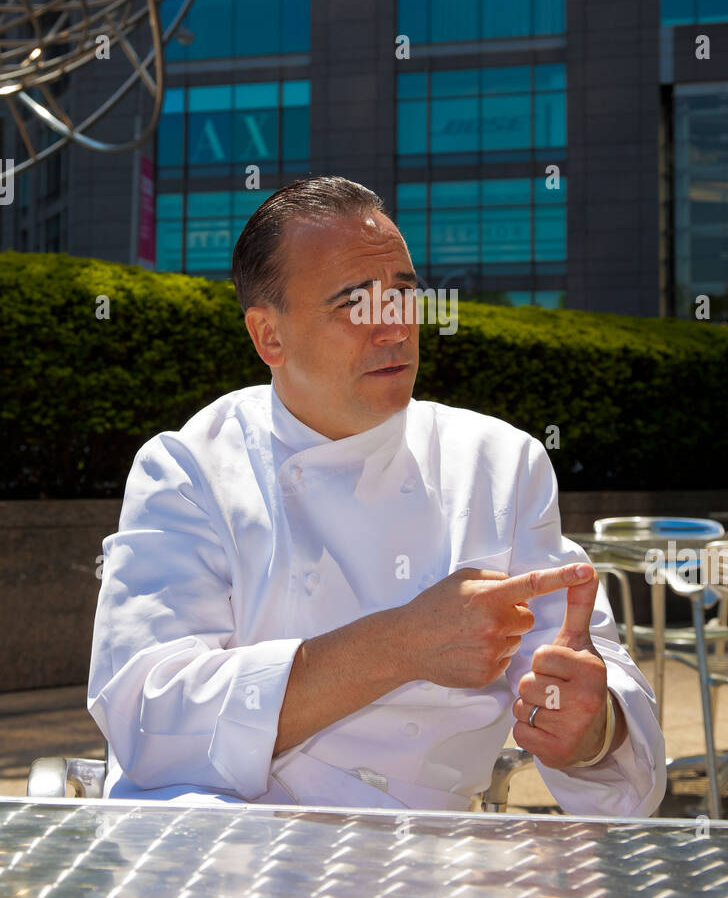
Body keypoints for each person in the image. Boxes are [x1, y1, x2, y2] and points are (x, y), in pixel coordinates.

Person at [88, 176, 666, 816]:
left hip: (422, 854)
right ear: (268, 336)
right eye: (353, 304)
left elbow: (585, 677)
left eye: (403, 295)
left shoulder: (501, 463)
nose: (393, 328)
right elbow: (147, 712)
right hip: (219, 836)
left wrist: (594, 728)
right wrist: (403, 643)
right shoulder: (189, 470)